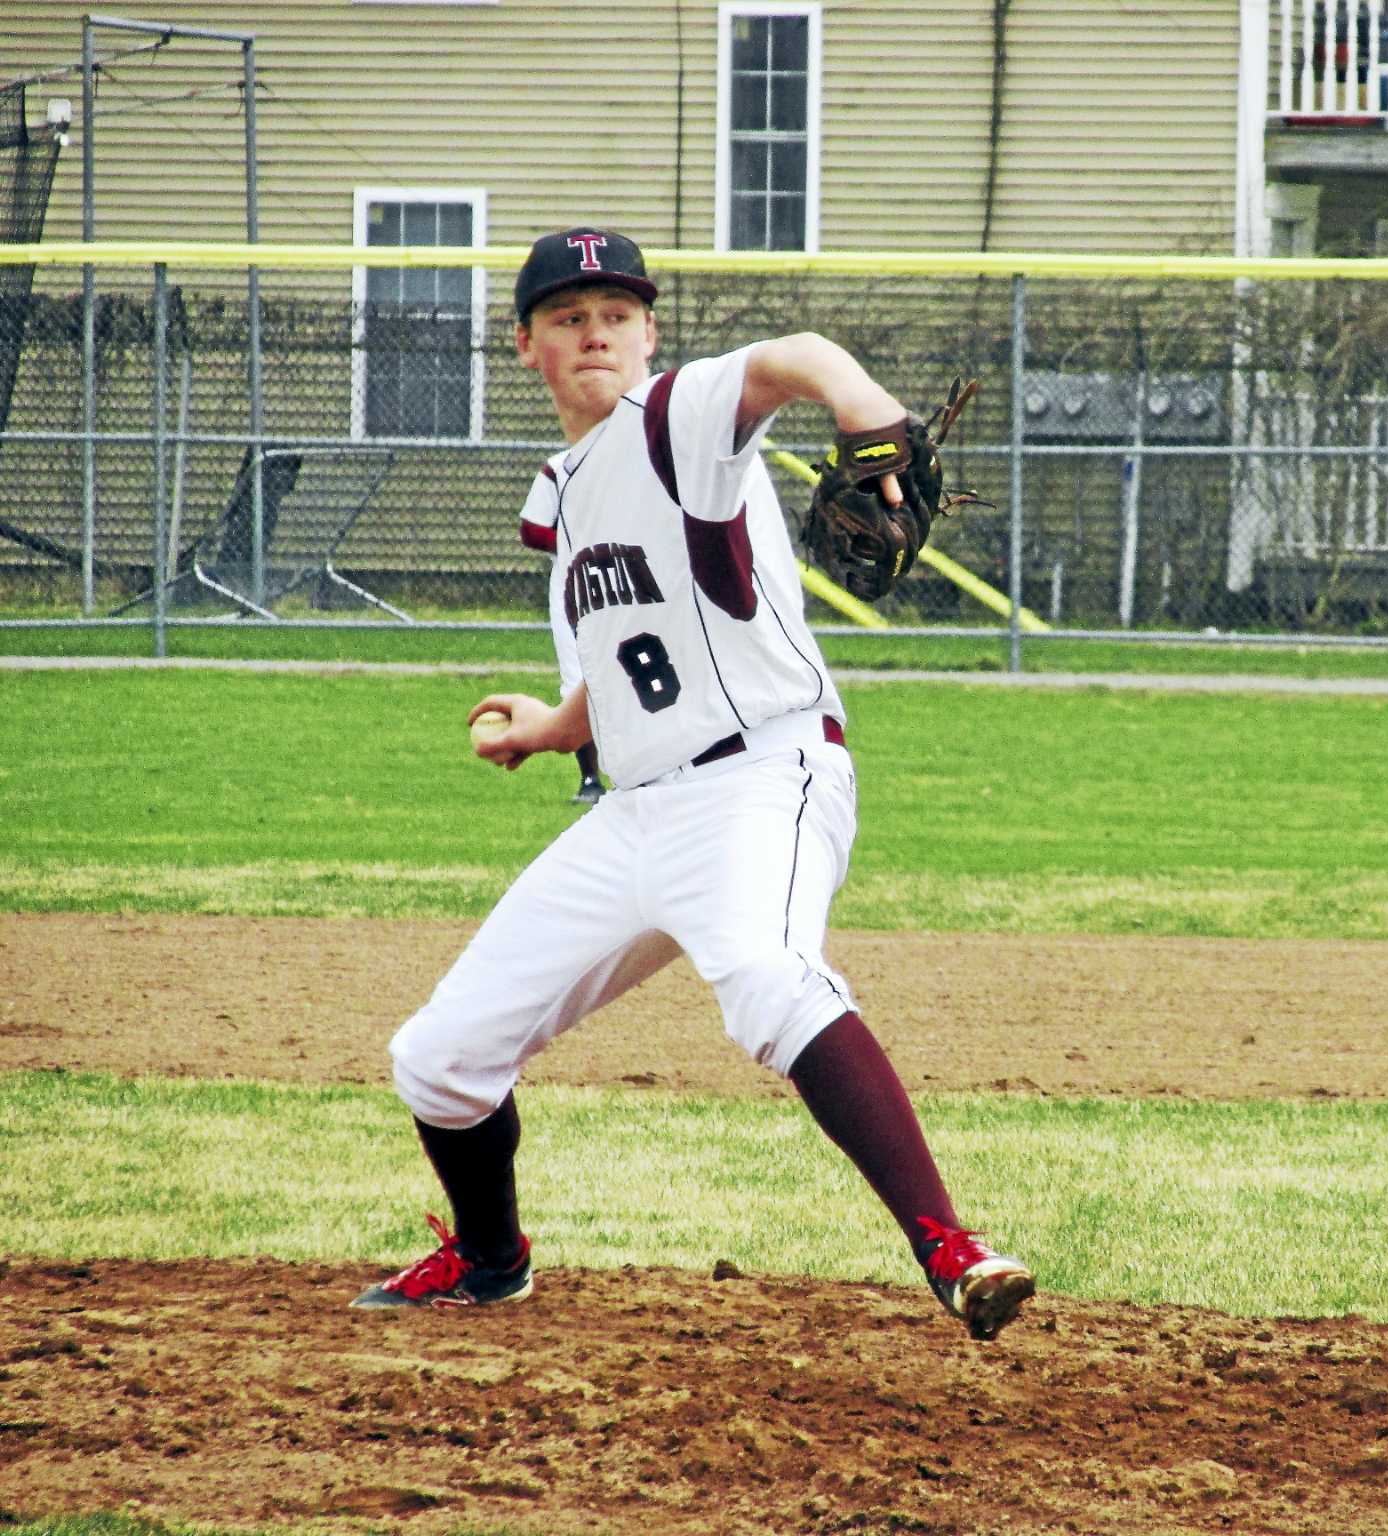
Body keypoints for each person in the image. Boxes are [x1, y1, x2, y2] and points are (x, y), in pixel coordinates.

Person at [350, 228, 1034, 1341]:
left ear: (649, 333)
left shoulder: (676, 420)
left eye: (616, 313)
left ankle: (951, 1249)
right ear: (524, 345)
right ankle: (488, 1262)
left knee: (769, 979)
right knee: (438, 1059)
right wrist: (545, 728)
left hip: (764, 773)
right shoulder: (565, 498)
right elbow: (620, 680)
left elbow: (802, 354)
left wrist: (873, 425)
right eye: (568, 318)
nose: (595, 334)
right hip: (636, 812)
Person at [516, 491, 606, 805]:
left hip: (627, 572)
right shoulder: (559, 470)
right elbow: (532, 529)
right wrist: (582, 541)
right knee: (577, 675)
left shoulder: (636, 461)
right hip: (572, 581)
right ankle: (591, 779)